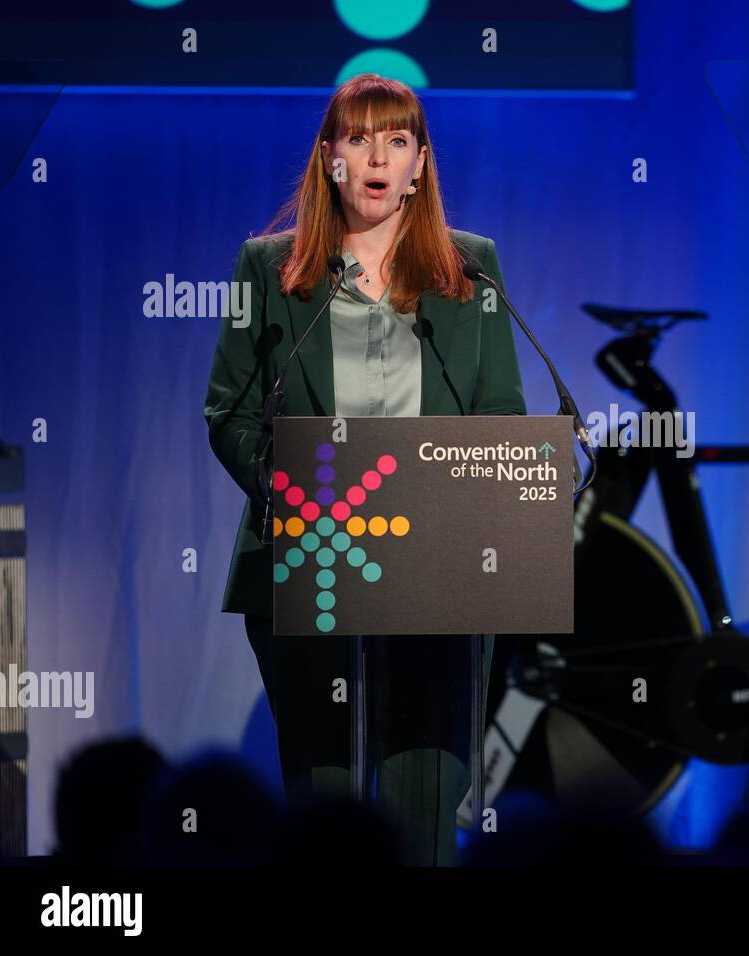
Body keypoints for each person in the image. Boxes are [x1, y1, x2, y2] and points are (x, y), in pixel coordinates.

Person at [203, 73, 526, 865]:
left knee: (423, 814)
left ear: (421, 162)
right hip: (309, 569)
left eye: (397, 139)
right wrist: (292, 492)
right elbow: (231, 414)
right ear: (329, 159)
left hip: (440, 579)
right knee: (326, 818)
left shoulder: (470, 267)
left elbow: (499, 419)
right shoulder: (269, 268)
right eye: (357, 138)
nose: (377, 156)